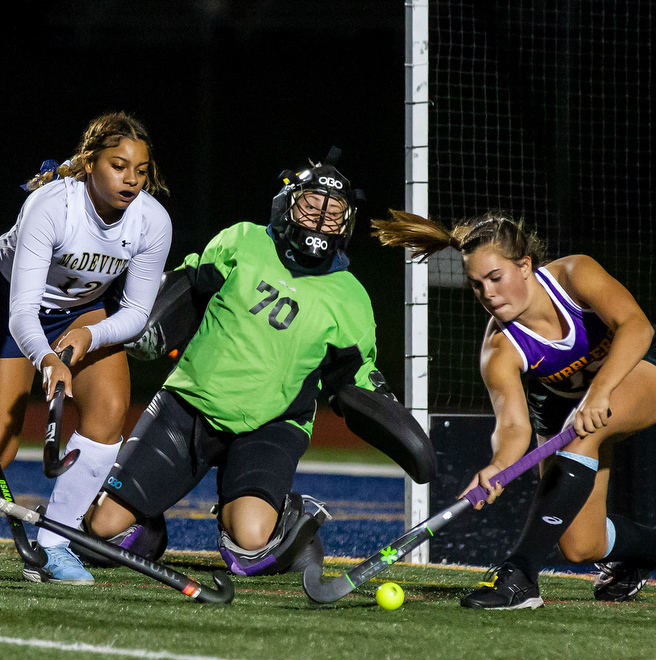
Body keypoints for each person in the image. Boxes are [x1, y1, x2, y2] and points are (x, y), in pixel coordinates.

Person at [85, 153, 420, 578]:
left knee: (249, 548)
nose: (319, 220)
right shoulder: (243, 240)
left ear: (346, 222)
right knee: (103, 530)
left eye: (333, 213)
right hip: (189, 405)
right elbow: (191, 285)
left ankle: (283, 518)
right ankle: (146, 524)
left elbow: (353, 378)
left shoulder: (352, 298)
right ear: (288, 203)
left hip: (273, 424)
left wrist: (386, 411)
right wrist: (145, 318)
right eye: (311, 205)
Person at [371, 209, 656, 608]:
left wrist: (601, 389)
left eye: (495, 278)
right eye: (476, 285)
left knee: (583, 428)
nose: (487, 293)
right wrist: (498, 466)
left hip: (642, 370)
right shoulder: (499, 349)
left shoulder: (575, 274)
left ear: (524, 266)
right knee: (580, 546)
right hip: (561, 404)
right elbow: (513, 426)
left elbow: (636, 327)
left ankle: (520, 576)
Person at [0, 111, 172, 582]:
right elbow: (24, 310)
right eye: (118, 166)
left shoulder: (152, 221)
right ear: (89, 163)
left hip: (81, 311)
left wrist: (88, 335)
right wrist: (45, 358)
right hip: (9, 307)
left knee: (109, 410)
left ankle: (55, 543)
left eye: (141, 170)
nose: (132, 180)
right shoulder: (51, 206)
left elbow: (135, 314)